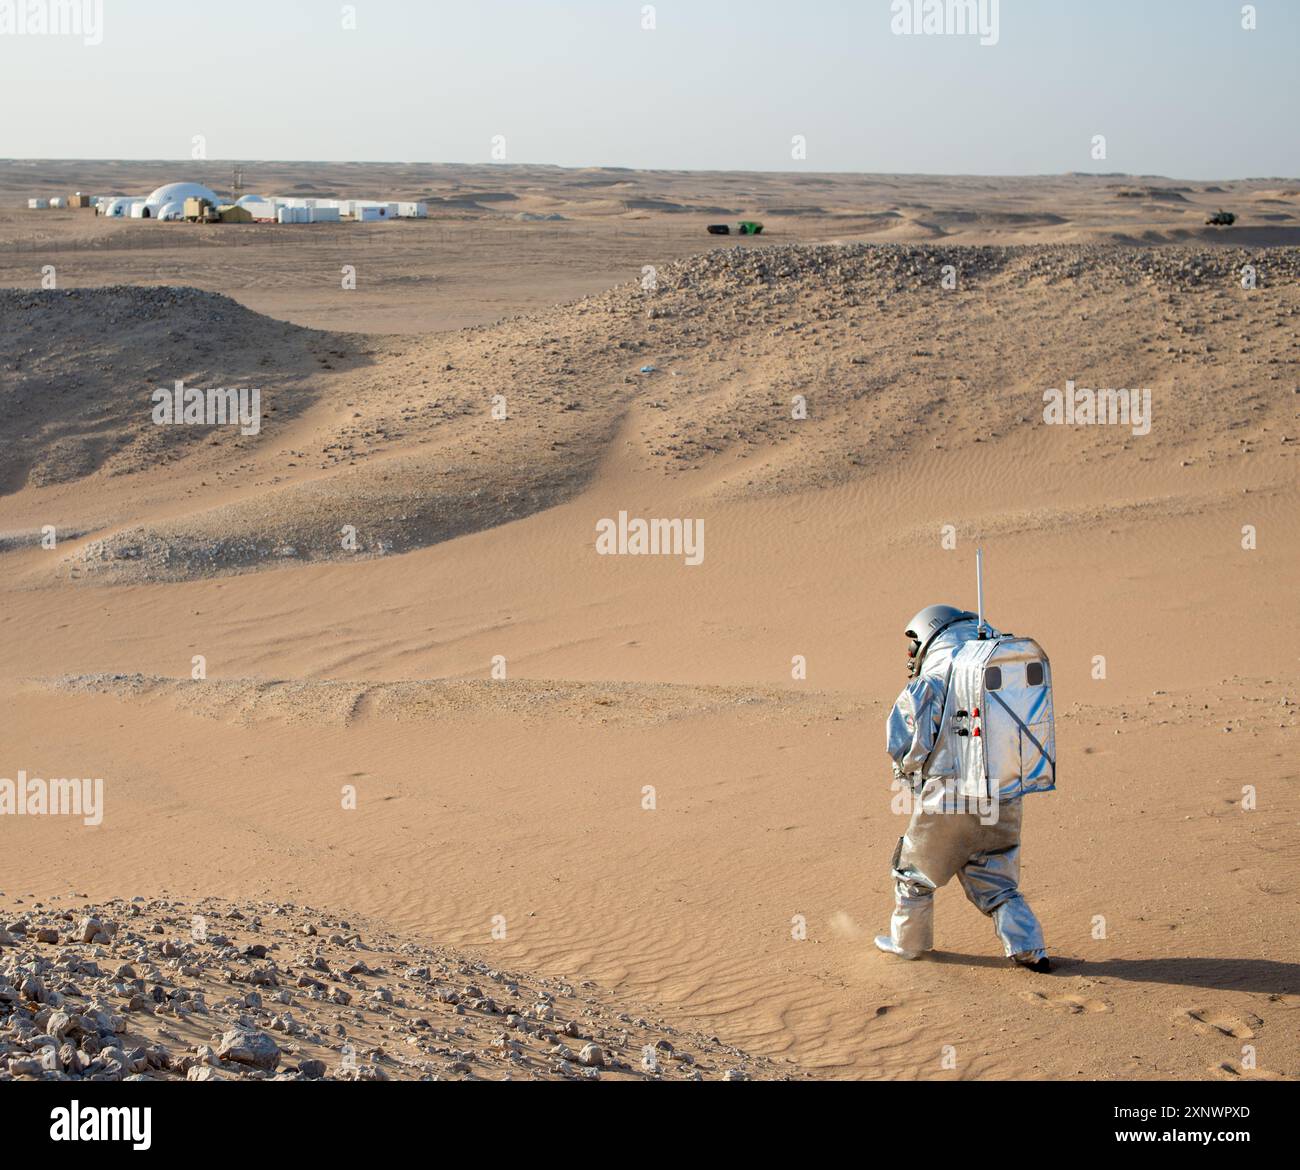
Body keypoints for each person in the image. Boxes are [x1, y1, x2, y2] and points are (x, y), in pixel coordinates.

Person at [876, 604, 1051, 972]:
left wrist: (909, 772)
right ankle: (1029, 948)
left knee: (914, 873)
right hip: (1005, 791)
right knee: (997, 882)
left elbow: (909, 733)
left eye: (912, 646)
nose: (910, 656)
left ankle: (909, 944)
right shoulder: (993, 655)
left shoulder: (939, 669)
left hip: (950, 795)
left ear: (929, 633)